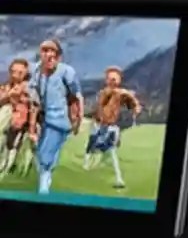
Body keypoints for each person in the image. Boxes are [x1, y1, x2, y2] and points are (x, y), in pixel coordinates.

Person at [30, 39, 83, 195]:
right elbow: (34, 100)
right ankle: (46, 178)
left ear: (58, 55)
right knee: (45, 152)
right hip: (44, 119)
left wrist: (78, 118)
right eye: (45, 51)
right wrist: (32, 126)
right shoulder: (37, 73)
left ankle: (43, 189)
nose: (49, 55)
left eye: (53, 51)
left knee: (45, 154)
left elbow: (77, 94)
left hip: (60, 120)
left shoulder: (67, 71)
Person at [83, 66, 143, 189]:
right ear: (106, 80)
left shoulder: (121, 94)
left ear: (119, 80)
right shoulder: (104, 93)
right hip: (97, 125)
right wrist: (123, 93)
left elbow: (132, 102)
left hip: (110, 127)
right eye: (110, 79)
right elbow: (104, 99)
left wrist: (135, 106)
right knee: (91, 145)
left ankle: (118, 178)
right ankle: (87, 163)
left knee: (112, 150)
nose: (113, 81)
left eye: (115, 79)